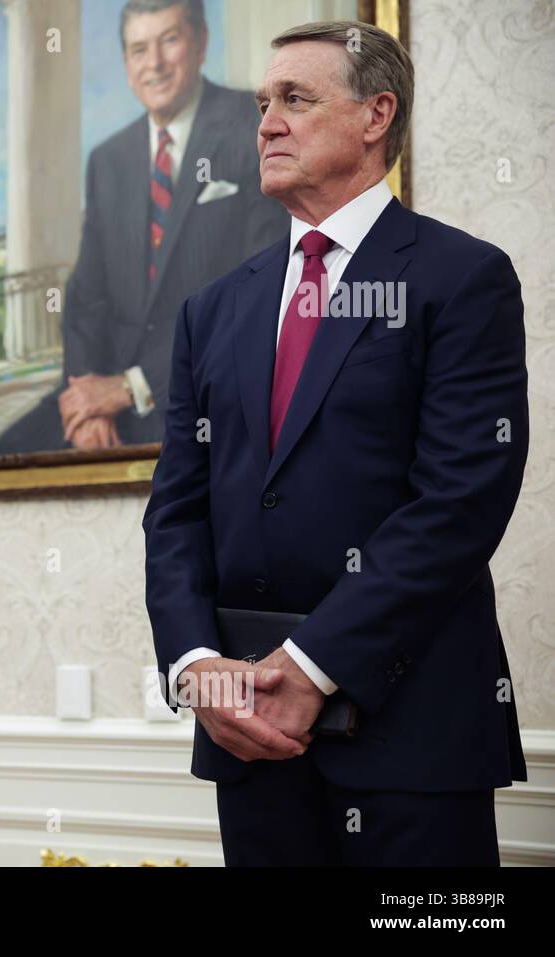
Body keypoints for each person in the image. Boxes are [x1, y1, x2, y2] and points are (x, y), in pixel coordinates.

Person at [143, 20, 528, 865]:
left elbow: (460, 502)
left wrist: (313, 665)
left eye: (295, 99)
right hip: (249, 742)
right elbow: (174, 512)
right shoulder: (212, 309)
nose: (267, 123)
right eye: (262, 104)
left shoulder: (462, 278)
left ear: (375, 115)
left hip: (413, 738)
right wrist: (197, 667)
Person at [0, 0, 286, 455]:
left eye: (169, 40)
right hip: (104, 393)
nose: (155, 64)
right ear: (127, 64)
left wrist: (131, 387)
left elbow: (258, 292)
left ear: (201, 43)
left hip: (204, 392)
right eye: (139, 49)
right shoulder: (109, 160)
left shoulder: (255, 128)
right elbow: (86, 298)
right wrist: (87, 400)